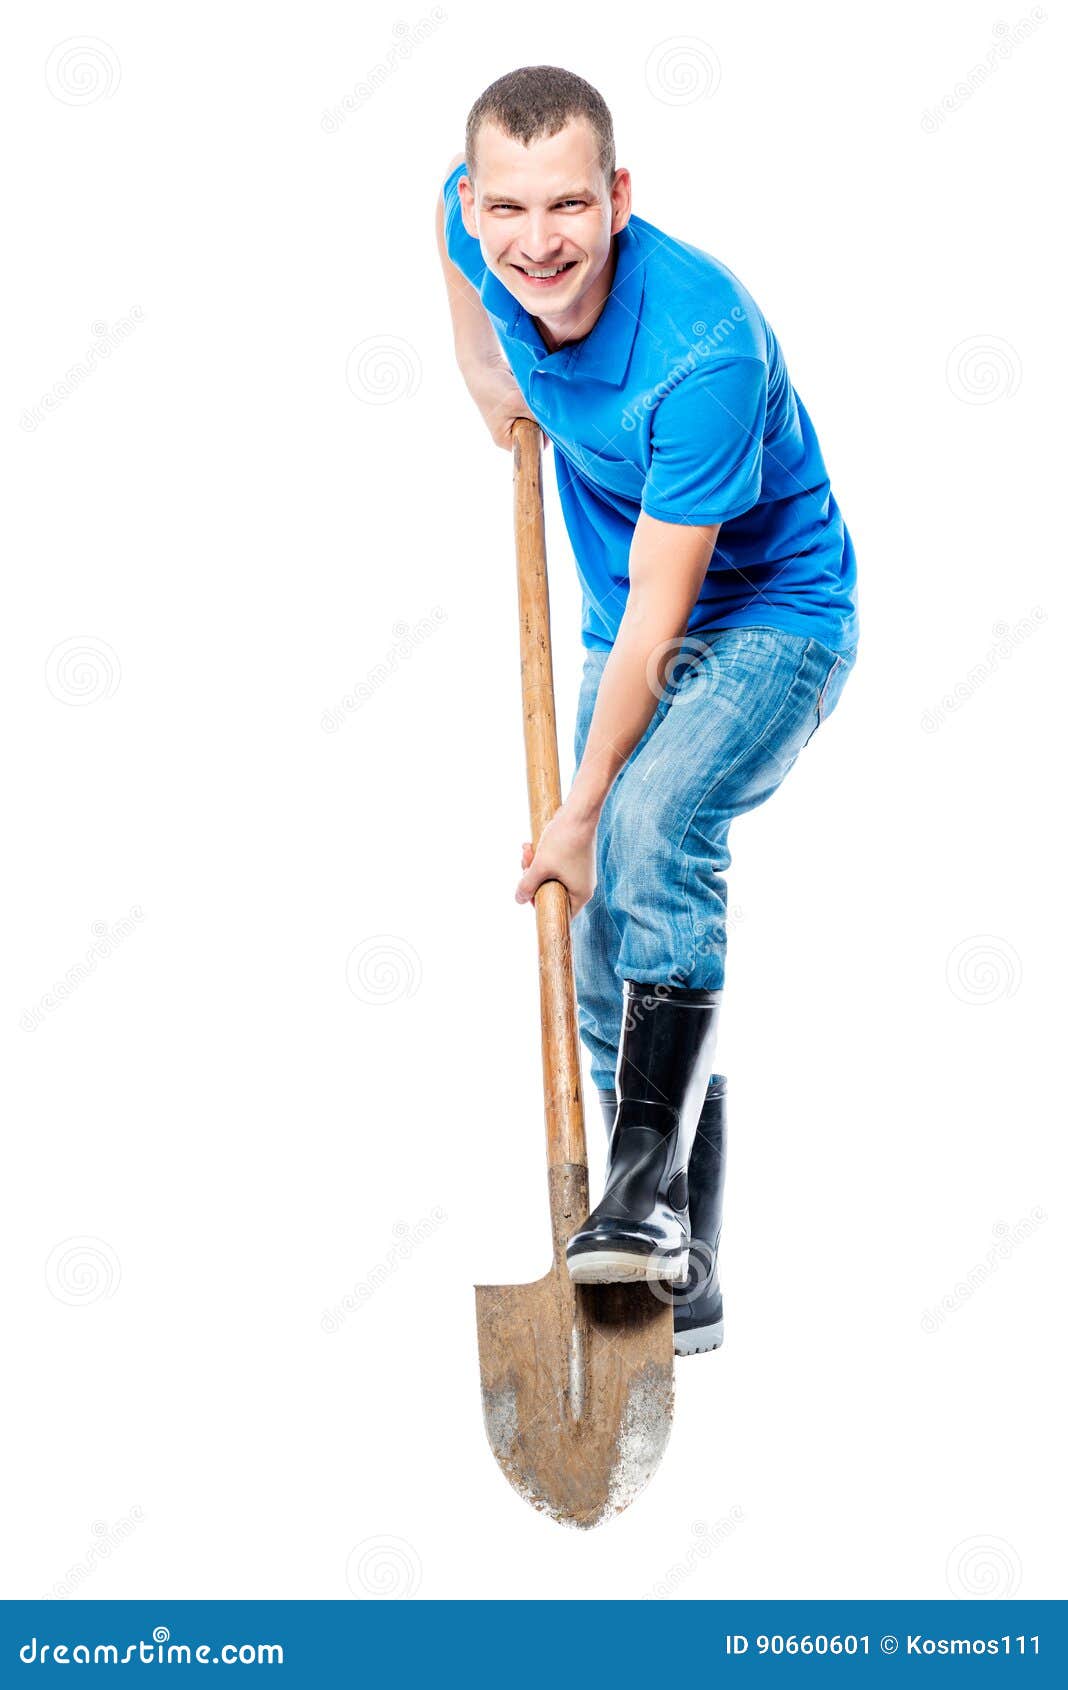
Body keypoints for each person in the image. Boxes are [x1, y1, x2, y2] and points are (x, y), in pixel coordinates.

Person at [436, 65, 858, 1356]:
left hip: (769, 619)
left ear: (619, 197)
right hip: (634, 623)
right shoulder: (478, 221)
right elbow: (446, 226)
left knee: (645, 824)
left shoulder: (702, 351)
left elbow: (668, 618)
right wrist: (486, 378)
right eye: (509, 207)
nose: (535, 241)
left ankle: (637, 1191)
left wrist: (576, 811)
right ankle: (681, 1246)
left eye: (569, 204)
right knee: (603, 927)